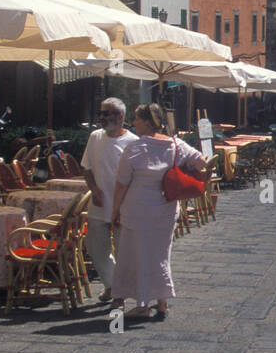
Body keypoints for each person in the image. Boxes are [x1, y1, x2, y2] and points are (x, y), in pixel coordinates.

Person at [109, 104, 207, 320]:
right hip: (165, 208)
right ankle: (161, 302)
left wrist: (114, 211)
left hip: (137, 209)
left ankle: (143, 305)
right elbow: (202, 161)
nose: (133, 123)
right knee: (160, 254)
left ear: (146, 122)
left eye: (135, 119)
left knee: (136, 256)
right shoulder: (175, 144)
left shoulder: (134, 148)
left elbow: (121, 185)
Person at [80, 97, 138, 303]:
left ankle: (119, 294)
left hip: (124, 207)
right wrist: (94, 189)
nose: (102, 118)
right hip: (98, 205)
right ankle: (111, 285)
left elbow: (137, 178)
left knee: (123, 252)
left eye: (107, 114)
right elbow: (86, 167)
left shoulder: (133, 142)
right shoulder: (95, 137)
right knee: (96, 248)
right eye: (101, 113)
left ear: (120, 116)